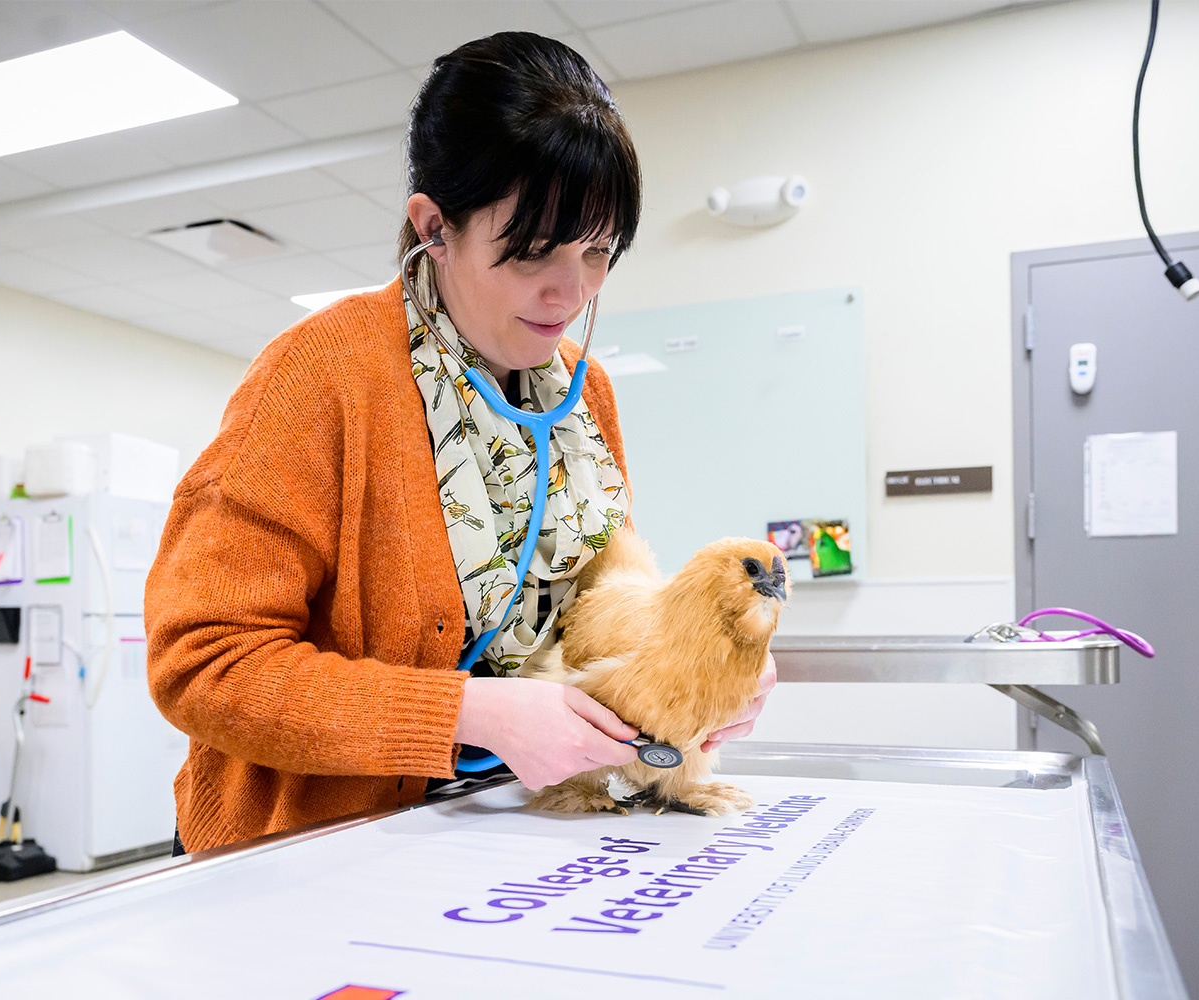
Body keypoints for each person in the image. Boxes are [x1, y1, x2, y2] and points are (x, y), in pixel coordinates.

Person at [146, 32, 774, 855]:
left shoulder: (586, 395)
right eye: (533, 253)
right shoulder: (322, 378)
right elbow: (202, 663)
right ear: (433, 227)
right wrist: (464, 713)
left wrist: (704, 664)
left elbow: (592, 612)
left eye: (597, 253)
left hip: (504, 829)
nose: (569, 293)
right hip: (313, 850)